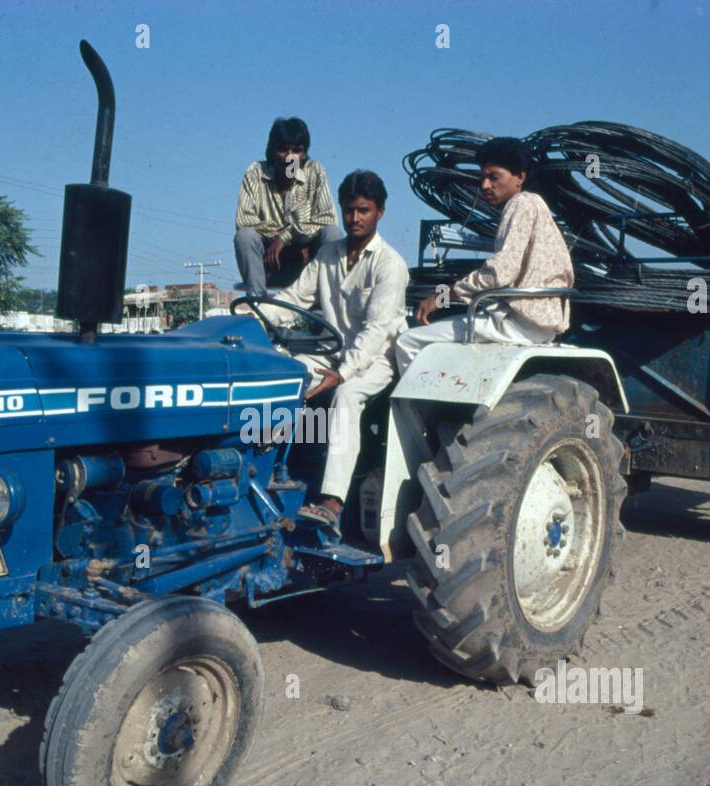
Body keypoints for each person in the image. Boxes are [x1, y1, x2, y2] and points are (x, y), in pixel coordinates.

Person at [268, 170, 409, 532]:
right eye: (349, 210)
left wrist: (343, 373)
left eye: (364, 210)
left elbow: (377, 331)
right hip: (334, 352)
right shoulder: (328, 254)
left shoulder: (389, 264)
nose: (355, 218)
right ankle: (274, 470)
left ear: (380, 212)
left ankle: (331, 501)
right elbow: (294, 299)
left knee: (345, 395)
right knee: (287, 373)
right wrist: (254, 317)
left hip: (377, 359)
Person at [394, 137, 574, 376]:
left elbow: (500, 271)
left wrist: (442, 296)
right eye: (482, 178)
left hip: (519, 323)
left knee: (408, 341)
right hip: (538, 320)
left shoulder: (520, 204)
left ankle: (423, 414)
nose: (485, 185)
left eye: (494, 176)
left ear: (520, 177)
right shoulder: (535, 206)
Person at [234, 117, 342, 297]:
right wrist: (281, 240)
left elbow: (327, 219)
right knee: (244, 237)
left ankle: (325, 307)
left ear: (304, 154)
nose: (289, 157)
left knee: (332, 234)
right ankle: (258, 305)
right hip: (269, 262)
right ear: (272, 150)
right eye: (283, 149)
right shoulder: (255, 172)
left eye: (296, 151)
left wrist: (286, 238)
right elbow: (244, 221)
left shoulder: (315, 171)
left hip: (306, 262)